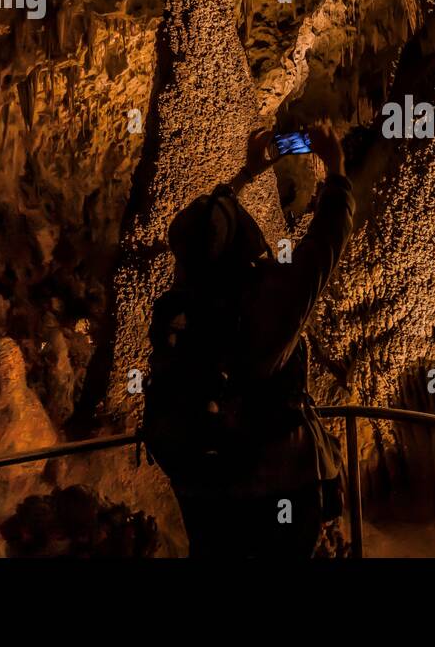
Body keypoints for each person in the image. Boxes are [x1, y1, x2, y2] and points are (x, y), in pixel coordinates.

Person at [143, 124, 355, 557]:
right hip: (274, 487)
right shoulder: (264, 304)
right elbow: (324, 244)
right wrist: (336, 170)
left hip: (206, 490)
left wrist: (246, 175)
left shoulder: (183, 305)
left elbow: (208, 235)